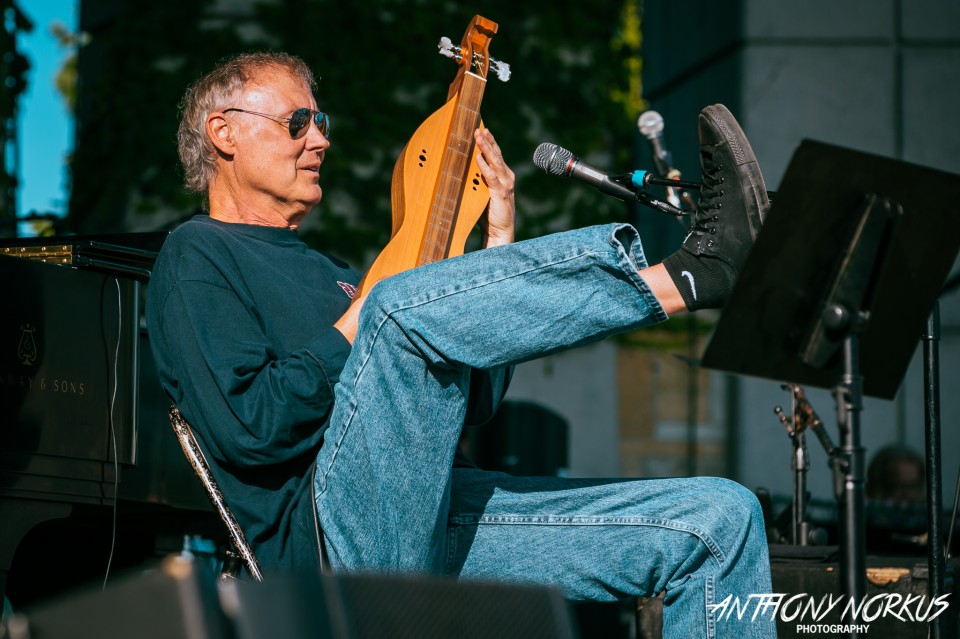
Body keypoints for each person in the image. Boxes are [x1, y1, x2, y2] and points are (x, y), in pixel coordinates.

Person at [147, 51, 776, 638]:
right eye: (298, 121)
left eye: (322, 121)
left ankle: (698, 274)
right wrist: (365, 317)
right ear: (223, 133)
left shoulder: (332, 271)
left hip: (441, 510)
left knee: (719, 518)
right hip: (329, 543)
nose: (321, 140)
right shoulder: (196, 255)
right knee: (395, 309)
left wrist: (497, 239)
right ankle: (690, 276)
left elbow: (469, 402)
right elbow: (250, 428)